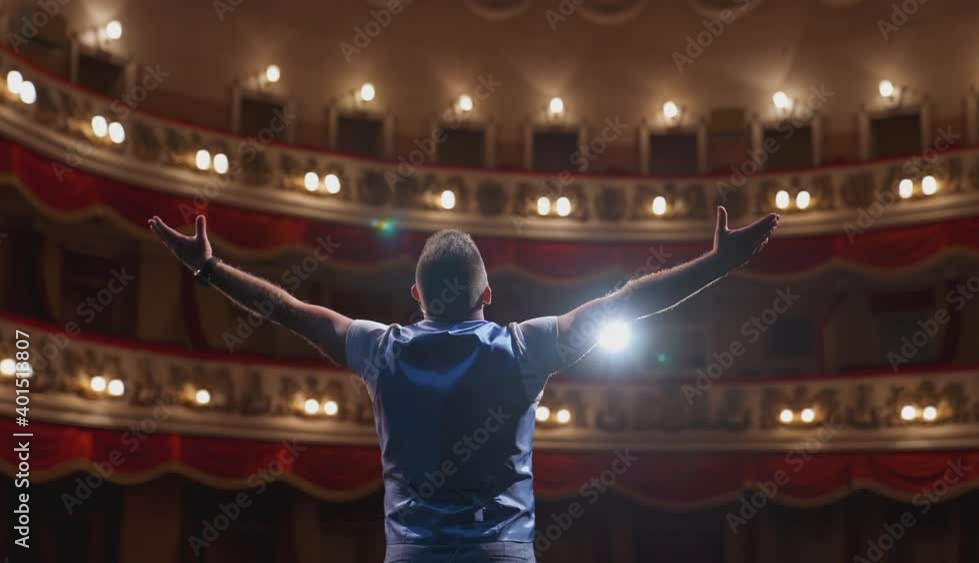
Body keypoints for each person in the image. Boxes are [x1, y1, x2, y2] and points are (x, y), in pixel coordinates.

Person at [148, 206, 779, 563]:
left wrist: (207, 267)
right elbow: (629, 301)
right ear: (487, 293)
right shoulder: (524, 346)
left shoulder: (381, 349)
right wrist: (720, 263)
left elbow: (286, 308)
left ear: (417, 295)